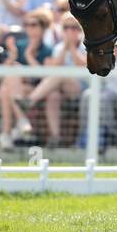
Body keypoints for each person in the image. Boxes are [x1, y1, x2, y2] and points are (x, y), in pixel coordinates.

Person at [17, 12, 85, 146]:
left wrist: (71, 48)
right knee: (53, 96)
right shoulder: (59, 47)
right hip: (60, 88)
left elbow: (83, 65)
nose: (69, 31)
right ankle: (55, 137)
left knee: (60, 74)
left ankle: (30, 101)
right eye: (66, 27)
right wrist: (65, 48)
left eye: (73, 27)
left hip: (81, 87)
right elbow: (53, 69)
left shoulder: (86, 46)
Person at [0, 9, 53, 146]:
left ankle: (6, 134)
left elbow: (43, 77)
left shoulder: (48, 49)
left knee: (5, 91)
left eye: (34, 25)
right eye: (27, 25)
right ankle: (21, 121)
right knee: (8, 82)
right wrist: (13, 55)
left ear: (42, 28)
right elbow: (4, 72)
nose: (29, 29)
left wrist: (28, 55)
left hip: (36, 91)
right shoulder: (19, 46)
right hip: (18, 89)